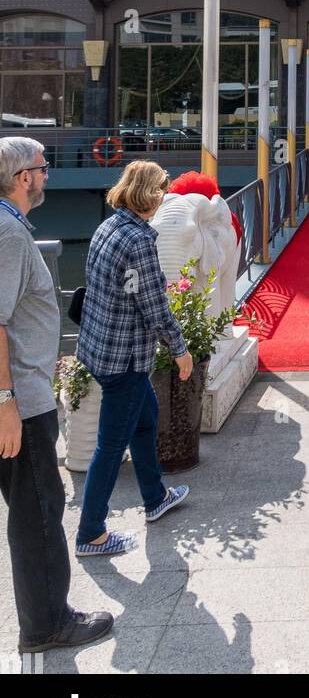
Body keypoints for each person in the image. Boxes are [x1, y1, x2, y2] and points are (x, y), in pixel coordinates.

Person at [0, 136, 114, 654]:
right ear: (24, 177)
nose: (47, 177)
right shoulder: (8, 233)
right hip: (20, 402)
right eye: (43, 170)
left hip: (19, 397)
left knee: (36, 507)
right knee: (40, 511)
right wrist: (6, 401)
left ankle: (45, 618)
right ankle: (47, 626)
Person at [75, 160, 194, 556]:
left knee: (146, 419)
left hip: (102, 346)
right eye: (163, 189)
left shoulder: (109, 226)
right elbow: (154, 305)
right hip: (124, 356)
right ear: (152, 194)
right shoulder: (139, 240)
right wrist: (180, 349)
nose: (165, 196)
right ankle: (91, 531)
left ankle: (155, 495)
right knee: (110, 446)